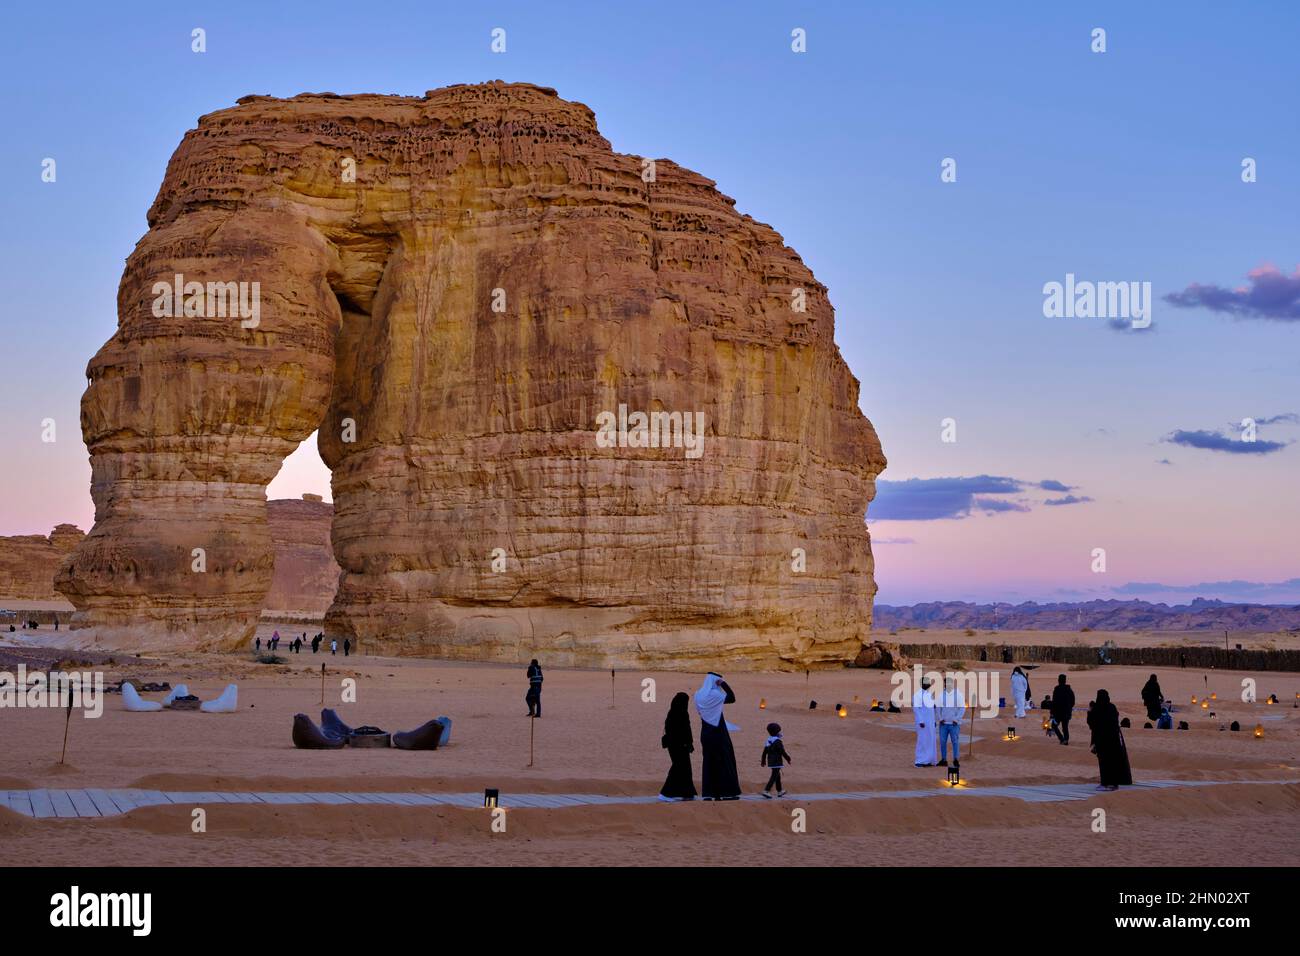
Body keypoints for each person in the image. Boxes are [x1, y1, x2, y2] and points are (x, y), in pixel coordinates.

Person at [694, 672, 741, 800]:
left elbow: (699, 712)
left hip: (705, 732)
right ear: (715, 681)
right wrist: (724, 684)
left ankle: (709, 794)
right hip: (718, 732)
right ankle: (727, 793)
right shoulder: (715, 694)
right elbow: (731, 698)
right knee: (724, 760)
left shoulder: (698, 695)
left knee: (709, 762)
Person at [1086, 689, 1132, 790]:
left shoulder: (1097, 708)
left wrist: (1090, 711)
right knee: (1113, 762)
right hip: (1113, 739)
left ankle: (1105, 783)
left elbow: (1091, 723)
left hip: (1102, 740)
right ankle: (1114, 784)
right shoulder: (1112, 707)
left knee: (1104, 762)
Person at [658, 692, 697, 801]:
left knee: (685, 768)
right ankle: (665, 793)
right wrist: (688, 743)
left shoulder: (672, 713)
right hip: (678, 746)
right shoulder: (681, 714)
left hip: (675, 746)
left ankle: (687, 793)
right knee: (678, 767)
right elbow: (684, 731)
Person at [936, 676, 965, 767]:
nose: (947, 685)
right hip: (943, 724)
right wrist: (940, 718)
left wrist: (957, 719)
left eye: (949, 683)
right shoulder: (941, 694)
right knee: (942, 742)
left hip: (954, 724)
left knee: (955, 742)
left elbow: (962, 708)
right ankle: (944, 760)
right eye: (946, 683)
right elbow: (938, 707)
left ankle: (956, 759)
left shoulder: (958, 694)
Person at [760, 722, 792, 798]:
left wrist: (763, 761)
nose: (780, 732)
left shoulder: (769, 740)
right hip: (777, 761)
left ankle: (779, 791)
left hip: (771, 761)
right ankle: (766, 790)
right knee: (774, 776)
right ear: (777, 732)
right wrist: (788, 758)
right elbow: (782, 751)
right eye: (779, 731)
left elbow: (764, 752)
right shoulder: (778, 741)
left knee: (777, 775)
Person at [912, 677, 937, 767]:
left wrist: (934, 721)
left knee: (930, 741)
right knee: (922, 741)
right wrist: (920, 721)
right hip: (922, 723)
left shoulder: (929, 695)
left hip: (930, 723)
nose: (928, 684)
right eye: (927, 683)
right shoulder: (917, 695)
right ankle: (919, 761)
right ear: (922, 684)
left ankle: (928, 760)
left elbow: (931, 710)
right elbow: (916, 709)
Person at [1050, 673, 1075, 745]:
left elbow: (1054, 702)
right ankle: (1065, 740)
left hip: (1057, 713)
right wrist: (1069, 708)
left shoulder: (1057, 689)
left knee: (1054, 726)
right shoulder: (1069, 690)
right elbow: (1073, 701)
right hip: (1066, 712)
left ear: (1058, 680)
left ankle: (1062, 739)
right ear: (1065, 681)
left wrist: (1052, 712)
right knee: (1065, 727)